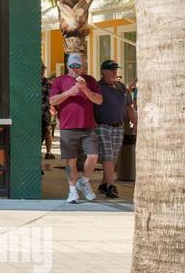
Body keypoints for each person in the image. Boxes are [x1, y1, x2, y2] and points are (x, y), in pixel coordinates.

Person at [49, 54, 102, 203]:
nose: (75, 69)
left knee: (93, 156)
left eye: (78, 66)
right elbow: (52, 100)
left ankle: (84, 181)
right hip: (68, 126)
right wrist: (68, 93)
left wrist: (85, 89)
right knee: (70, 161)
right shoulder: (60, 81)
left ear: (82, 67)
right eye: (72, 66)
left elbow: (99, 100)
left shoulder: (90, 80)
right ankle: (72, 191)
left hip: (88, 126)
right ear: (67, 66)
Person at [94, 59, 136, 199]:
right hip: (102, 125)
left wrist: (135, 123)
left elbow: (129, 107)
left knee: (113, 158)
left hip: (119, 127)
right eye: (111, 70)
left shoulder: (121, 87)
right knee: (108, 156)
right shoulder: (97, 87)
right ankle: (111, 186)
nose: (115, 72)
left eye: (115, 69)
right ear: (103, 72)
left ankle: (103, 184)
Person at [41, 63, 56, 160]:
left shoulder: (47, 83)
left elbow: (52, 98)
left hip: (45, 115)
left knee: (46, 133)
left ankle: (48, 152)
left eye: (42, 69)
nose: (42, 71)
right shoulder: (30, 83)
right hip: (35, 114)